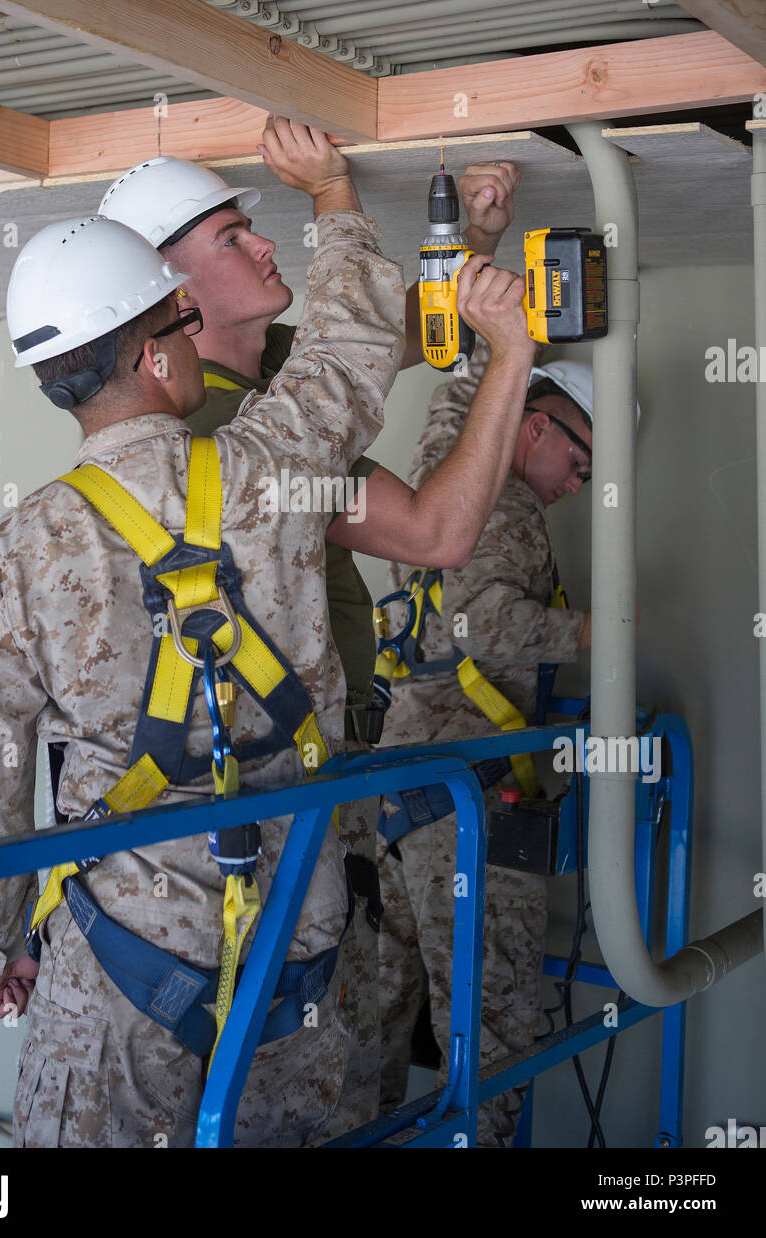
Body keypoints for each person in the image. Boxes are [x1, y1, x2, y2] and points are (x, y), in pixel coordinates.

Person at [0, 119, 535, 1148]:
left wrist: (0, 938)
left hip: (118, 958)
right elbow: (352, 350)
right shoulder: (269, 469)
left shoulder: (13, 551)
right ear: (161, 350)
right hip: (293, 935)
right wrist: (336, 200)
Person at [99, 129, 522, 1127]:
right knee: (302, 1049)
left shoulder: (280, 361)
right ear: (173, 284)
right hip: (281, 779)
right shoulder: (237, 445)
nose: (264, 244)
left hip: (323, 757)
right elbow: (438, 532)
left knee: (341, 1029)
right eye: (234, 232)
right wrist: (516, 356)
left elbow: (391, 331)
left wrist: (479, 249)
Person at [376, 347, 593, 1147]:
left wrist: (507, 330)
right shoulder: (505, 509)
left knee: (375, 1019)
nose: (578, 483)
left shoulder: (449, 470)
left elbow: (452, 400)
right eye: (578, 460)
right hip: (470, 799)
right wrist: (594, 632)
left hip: (401, 789)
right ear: (534, 426)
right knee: (487, 1028)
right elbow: (484, 622)